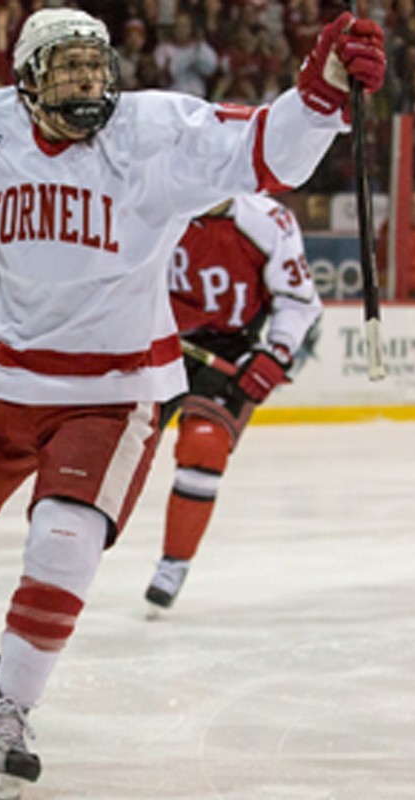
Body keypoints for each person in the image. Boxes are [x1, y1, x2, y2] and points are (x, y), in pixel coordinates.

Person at [0, 7, 384, 800]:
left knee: (63, 540)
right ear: (27, 77)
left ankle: (9, 709)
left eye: (95, 66)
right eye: (67, 66)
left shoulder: (151, 132)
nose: (87, 80)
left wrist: (322, 92)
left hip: (113, 388)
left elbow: (263, 153)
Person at [143, 195, 323, 614]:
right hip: (154, 339)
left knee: (204, 445)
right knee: (114, 447)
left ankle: (174, 562)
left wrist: (276, 353)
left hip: (230, 345)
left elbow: (298, 302)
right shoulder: (153, 200)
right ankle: (76, 544)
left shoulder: (269, 222)